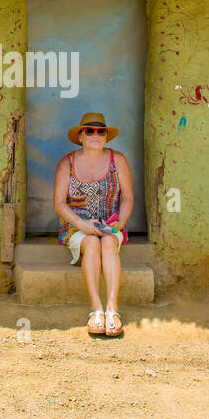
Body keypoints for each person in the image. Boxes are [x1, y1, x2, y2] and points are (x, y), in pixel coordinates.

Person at [52, 112, 134, 338]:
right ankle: (96, 309)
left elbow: (127, 197)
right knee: (90, 242)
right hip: (77, 227)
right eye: (89, 131)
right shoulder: (66, 163)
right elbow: (59, 203)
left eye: (101, 131)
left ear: (106, 136)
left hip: (110, 224)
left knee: (107, 241)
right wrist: (83, 224)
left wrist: (121, 222)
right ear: (81, 136)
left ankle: (112, 309)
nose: (95, 135)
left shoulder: (118, 160)